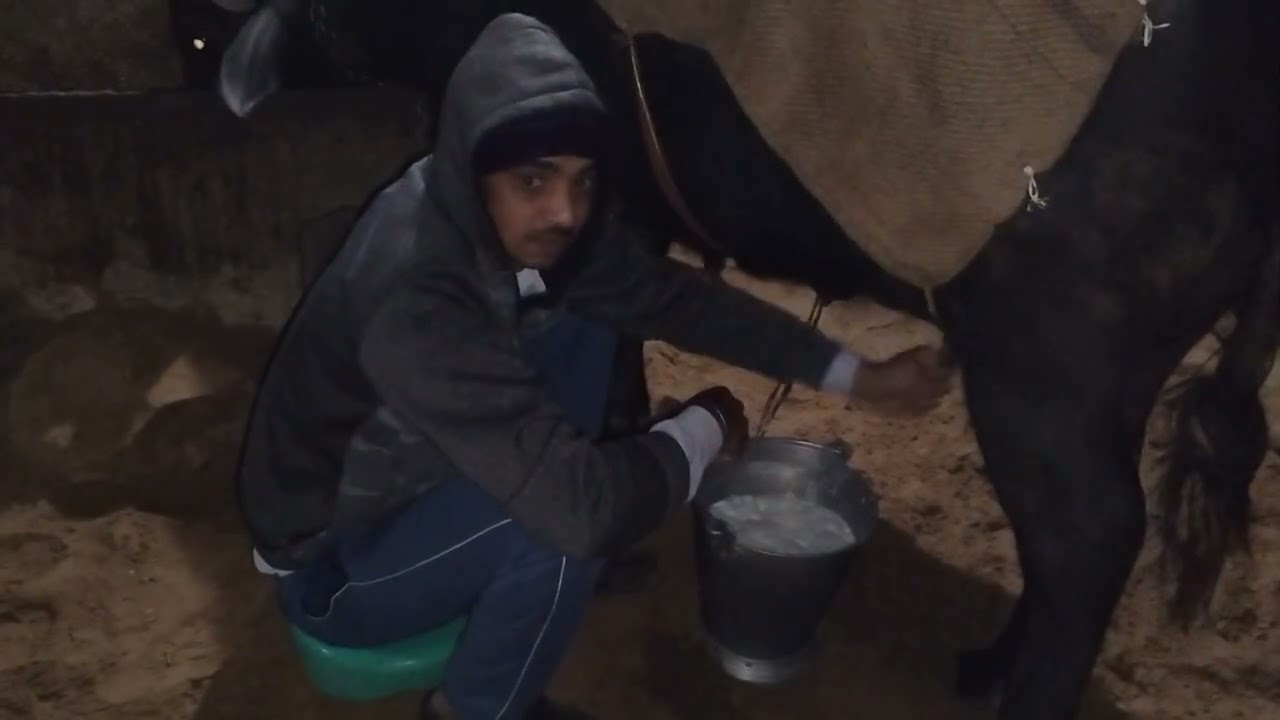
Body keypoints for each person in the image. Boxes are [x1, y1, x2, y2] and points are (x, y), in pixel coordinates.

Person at [234, 12, 952, 720]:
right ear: (473, 158)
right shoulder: (418, 294)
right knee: (564, 523)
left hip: (415, 475)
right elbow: (577, 511)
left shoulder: (516, 223)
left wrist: (856, 375)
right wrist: (696, 436)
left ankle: (556, 543)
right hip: (335, 564)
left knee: (594, 314)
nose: (564, 211)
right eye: (535, 179)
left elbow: (673, 301)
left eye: (581, 181)